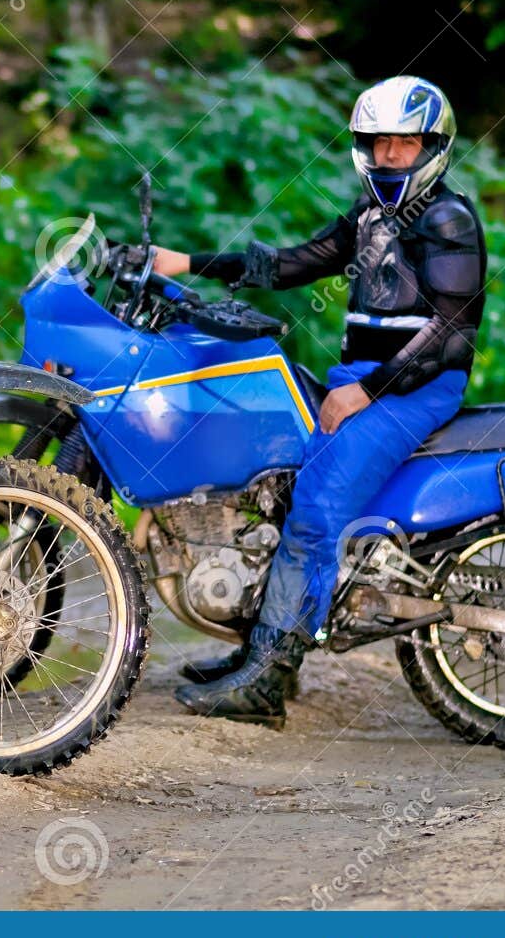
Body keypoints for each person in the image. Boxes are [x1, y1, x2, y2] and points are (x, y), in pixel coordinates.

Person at [151, 76, 483, 727]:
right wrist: (186, 261)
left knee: (316, 507)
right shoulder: (369, 216)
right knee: (276, 483)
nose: (389, 156)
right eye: (378, 143)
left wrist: (365, 390)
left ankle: (269, 681)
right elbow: (292, 264)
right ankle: (260, 646)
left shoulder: (447, 219)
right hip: (360, 374)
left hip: (413, 387)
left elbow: (450, 333)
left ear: (431, 146)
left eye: (404, 143)